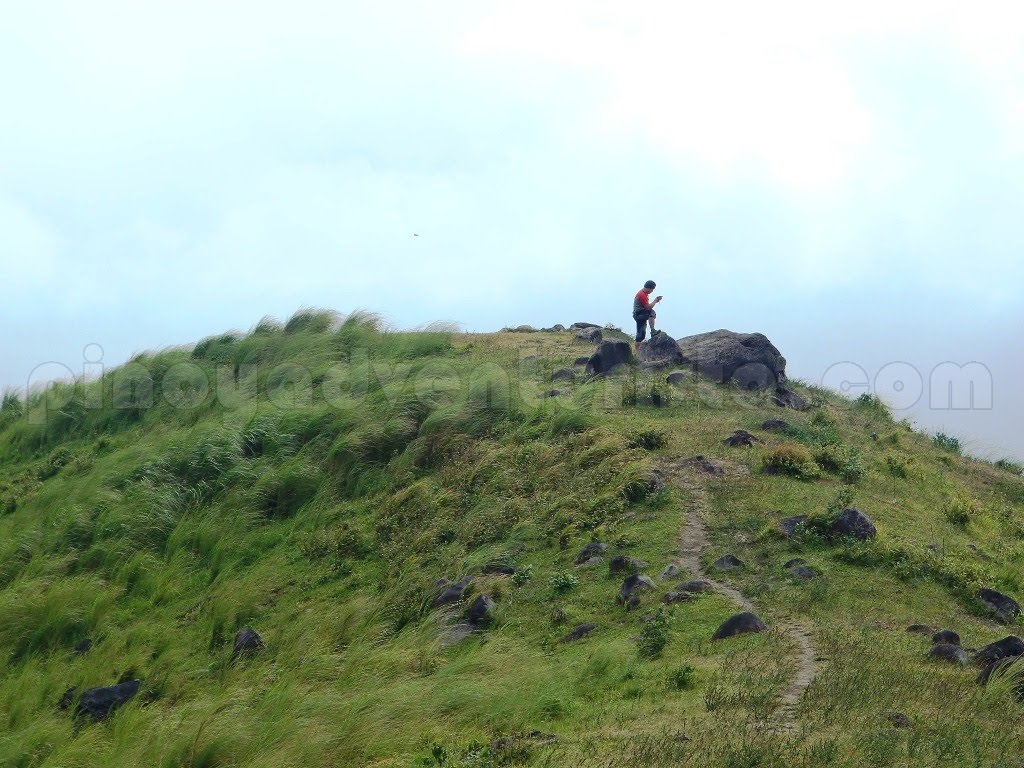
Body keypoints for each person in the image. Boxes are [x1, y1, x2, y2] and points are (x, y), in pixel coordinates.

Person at [632, 280, 663, 348]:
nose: (652, 291)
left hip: (640, 314)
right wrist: (655, 301)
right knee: (651, 312)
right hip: (639, 314)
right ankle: (653, 331)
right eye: (652, 289)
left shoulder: (644, 294)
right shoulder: (642, 295)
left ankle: (636, 351)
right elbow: (648, 307)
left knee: (641, 335)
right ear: (649, 288)